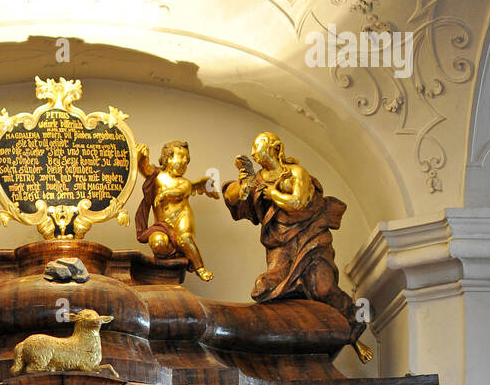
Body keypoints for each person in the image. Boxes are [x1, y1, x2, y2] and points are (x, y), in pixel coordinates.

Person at [222, 131, 372, 361]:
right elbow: (233, 198)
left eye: (258, 145)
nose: (254, 152)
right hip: (279, 244)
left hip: (311, 239)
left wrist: (271, 193)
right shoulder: (259, 179)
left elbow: (298, 202)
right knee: (265, 287)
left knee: (323, 288)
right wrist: (243, 182)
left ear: (275, 148)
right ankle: (291, 337)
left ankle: (353, 332)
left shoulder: (295, 173)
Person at [135, 140, 220, 281]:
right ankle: (175, 258)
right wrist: (142, 155)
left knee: (184, 239)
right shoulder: (157, 176)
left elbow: (179, 192)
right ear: (168, 158)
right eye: (181, 156)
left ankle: (200, 268)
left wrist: (164, 194)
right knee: (158, 243)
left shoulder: (185, 182)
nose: (185, 161)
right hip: (162, 225)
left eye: (187, 159)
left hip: (182, 218)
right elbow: (144, 168)